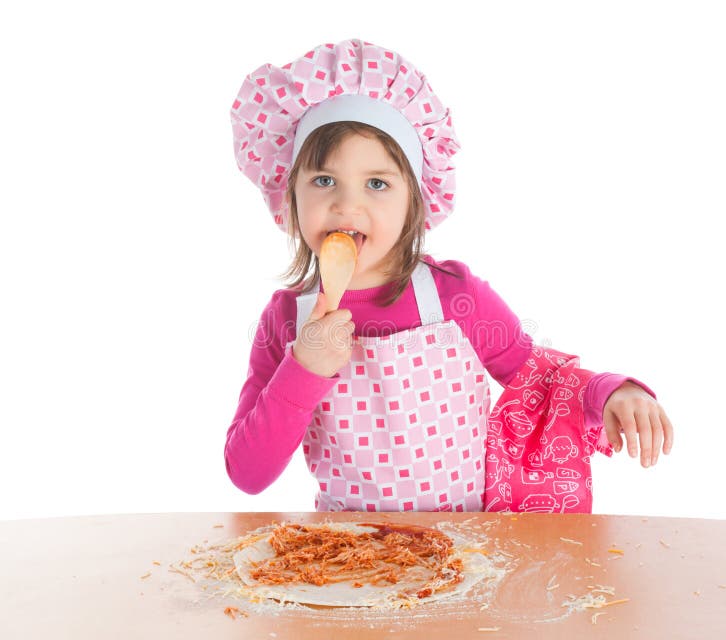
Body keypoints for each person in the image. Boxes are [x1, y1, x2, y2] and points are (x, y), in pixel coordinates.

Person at [224, 38, 674, 512]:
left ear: (415, 202)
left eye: (377, 183)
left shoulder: (455, 296)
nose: (346, 204)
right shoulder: (286, 320)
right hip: (345, 563)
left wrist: (610, 391)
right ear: (289, 196)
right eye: (322, 180)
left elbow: (540, 381)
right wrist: (304, 367)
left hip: (464, 553)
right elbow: (247, 474)